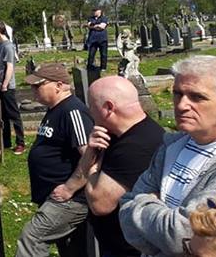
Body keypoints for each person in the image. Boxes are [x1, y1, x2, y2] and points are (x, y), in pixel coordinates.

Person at [120, 55, 216, 256]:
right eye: (177, 94)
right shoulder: (172, 145)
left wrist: (142, 203)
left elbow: (186, 233)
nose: (182, 105)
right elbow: (124, 212)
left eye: (197, 97)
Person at [60, 76, 164, 257]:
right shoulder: (116, 133)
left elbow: (100, 204)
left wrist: (93, 169)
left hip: (128, 249)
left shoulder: (137, 146)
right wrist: (91, 151)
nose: (89, 112)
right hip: (113, 244)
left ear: (108, 108)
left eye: (91, 106)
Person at [16, 63, 93, 257]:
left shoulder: (73, 111)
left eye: (38, 86)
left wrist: (70, 188)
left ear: (58, 85)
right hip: (53, 195)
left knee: (32, 238)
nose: (33, 90)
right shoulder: (55, 109)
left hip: (71, 199)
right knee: (71, 248)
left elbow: (91, 157)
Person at [0, 21, 26, 155]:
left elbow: (10, 67)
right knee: (3, 115)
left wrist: (5, 84)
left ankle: (20, 142)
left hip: (7, 86)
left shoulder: (8, 47)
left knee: (13, 114)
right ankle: (6, 141)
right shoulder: (0, 45)